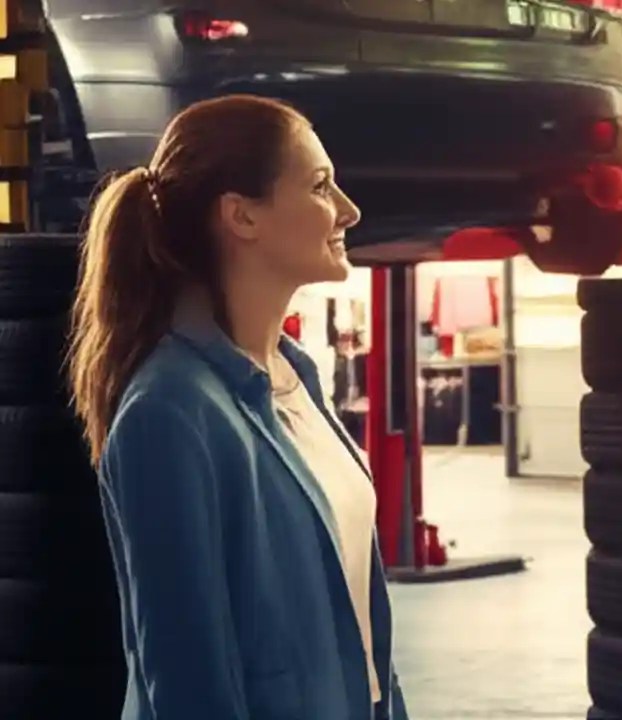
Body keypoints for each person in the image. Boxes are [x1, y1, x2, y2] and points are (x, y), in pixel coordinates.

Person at [67, 95, 410, 720]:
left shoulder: (294, 376)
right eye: (320, 185)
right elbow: (187, 679)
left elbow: (362, 637)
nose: (348, 210)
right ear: (241, 216)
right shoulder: (169, 412)